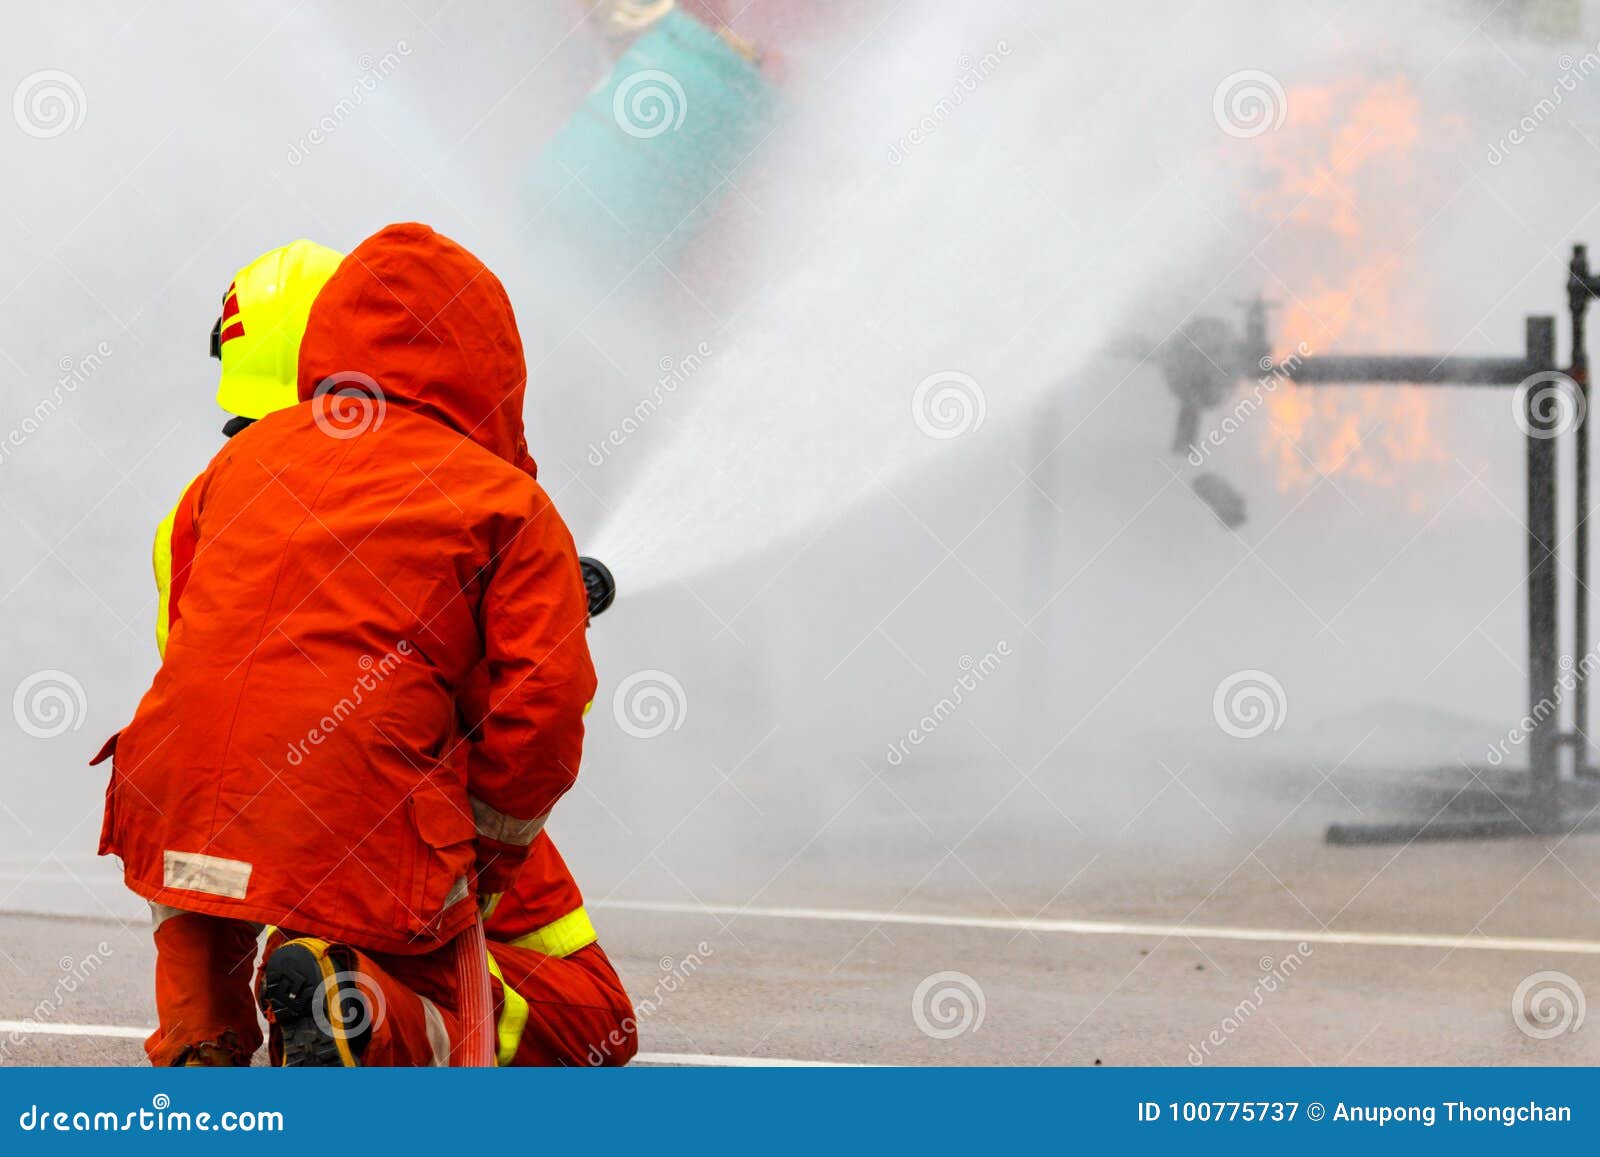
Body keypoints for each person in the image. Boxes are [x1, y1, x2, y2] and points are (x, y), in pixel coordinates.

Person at [97, 224, 633, 1065]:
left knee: (202, 823)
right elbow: (543, 706)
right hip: (391, 812)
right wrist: (482, 856)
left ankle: (204, 1034)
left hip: (184, 817)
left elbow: (210, 678)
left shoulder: (224, 482)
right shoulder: (498, 501)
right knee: (595, 1025)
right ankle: (364, 1006)